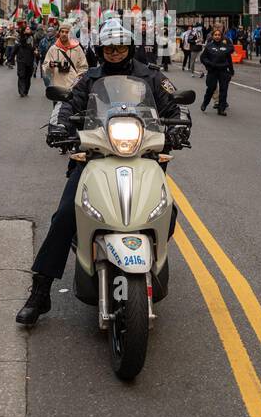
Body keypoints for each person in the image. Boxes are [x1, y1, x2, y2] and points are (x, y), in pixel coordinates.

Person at [16, 17, 184, 325]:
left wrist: (179, 127)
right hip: (94, 156)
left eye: (120, 47)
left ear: (129, 47)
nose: (115, 52)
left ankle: (152, 262)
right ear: (101, 49)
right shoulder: (90, 78)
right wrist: (59, 125)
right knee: (67, 213)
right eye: (109, 48)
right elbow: (67, 104)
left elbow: (176, 106)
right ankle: (40, 292)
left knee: (167, 211)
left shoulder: (151, 76)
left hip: (143, 156)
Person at [42, 24, 89, 92]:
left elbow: (84, 67)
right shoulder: (53, 49)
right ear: (59, 33)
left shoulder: (77, 48)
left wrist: (78, 79)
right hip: (57, 88)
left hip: (73, 88)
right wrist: (50, 65)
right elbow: (45, 66)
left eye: (67, 32)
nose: (64, 34)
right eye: (62, 32)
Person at [200, 25, 234, 115]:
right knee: (211, 88)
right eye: (215, 35)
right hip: (213, 71)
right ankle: (205, 103)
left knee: (224, 90)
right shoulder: (209, 46)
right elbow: (203, 58)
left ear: (221, 36)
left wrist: (231, 70)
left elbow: (230, 56)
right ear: (213, 36)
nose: (217, 36)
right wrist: (209, 64)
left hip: (223, 71)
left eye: (219, 35)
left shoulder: (226, 46)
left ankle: (221, 109)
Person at [15, 23, 36, 97]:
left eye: (29, 29)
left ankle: (26, 90)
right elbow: (16, 48)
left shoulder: (32, 38)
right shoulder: (20, 38)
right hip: (21, 60)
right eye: (26, 29)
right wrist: (11, 59)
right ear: (23, 31)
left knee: (28, 76)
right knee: (21, 75)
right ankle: (21, 91)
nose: (28, 30)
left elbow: (34, 48)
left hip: (30, 60)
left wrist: (36, 51)